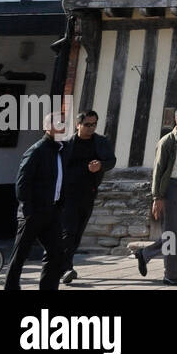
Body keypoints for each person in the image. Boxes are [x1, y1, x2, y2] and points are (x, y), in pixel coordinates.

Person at [132, 105, 177, 286]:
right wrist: (157, 197)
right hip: (169, 188)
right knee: (171, 234)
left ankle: (145, 254)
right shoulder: (167, 141)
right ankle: (171, 274)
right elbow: (158, 171)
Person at [4, 111, 68, 290]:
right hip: (32, 213)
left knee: (56, 252)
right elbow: (22, 183)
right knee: (20, 256)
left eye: (64, 123)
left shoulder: (62, 150)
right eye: (58, 123)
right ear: (48, 127)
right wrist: (27, 210)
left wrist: (60, 205)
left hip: (52, 211)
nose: (63, 126)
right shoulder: (37, 150)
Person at [59, 109, 117, 284]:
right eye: (87, 125)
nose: (91, 128)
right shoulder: (67, 144)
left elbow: (111, 161)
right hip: (68, 194)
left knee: (77, 232)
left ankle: (65, 264)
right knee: (68, 231)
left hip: (88, 192)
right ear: (78, 125)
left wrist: (100, 166)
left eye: (94, 124)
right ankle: (65, 267)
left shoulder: (101, 142)